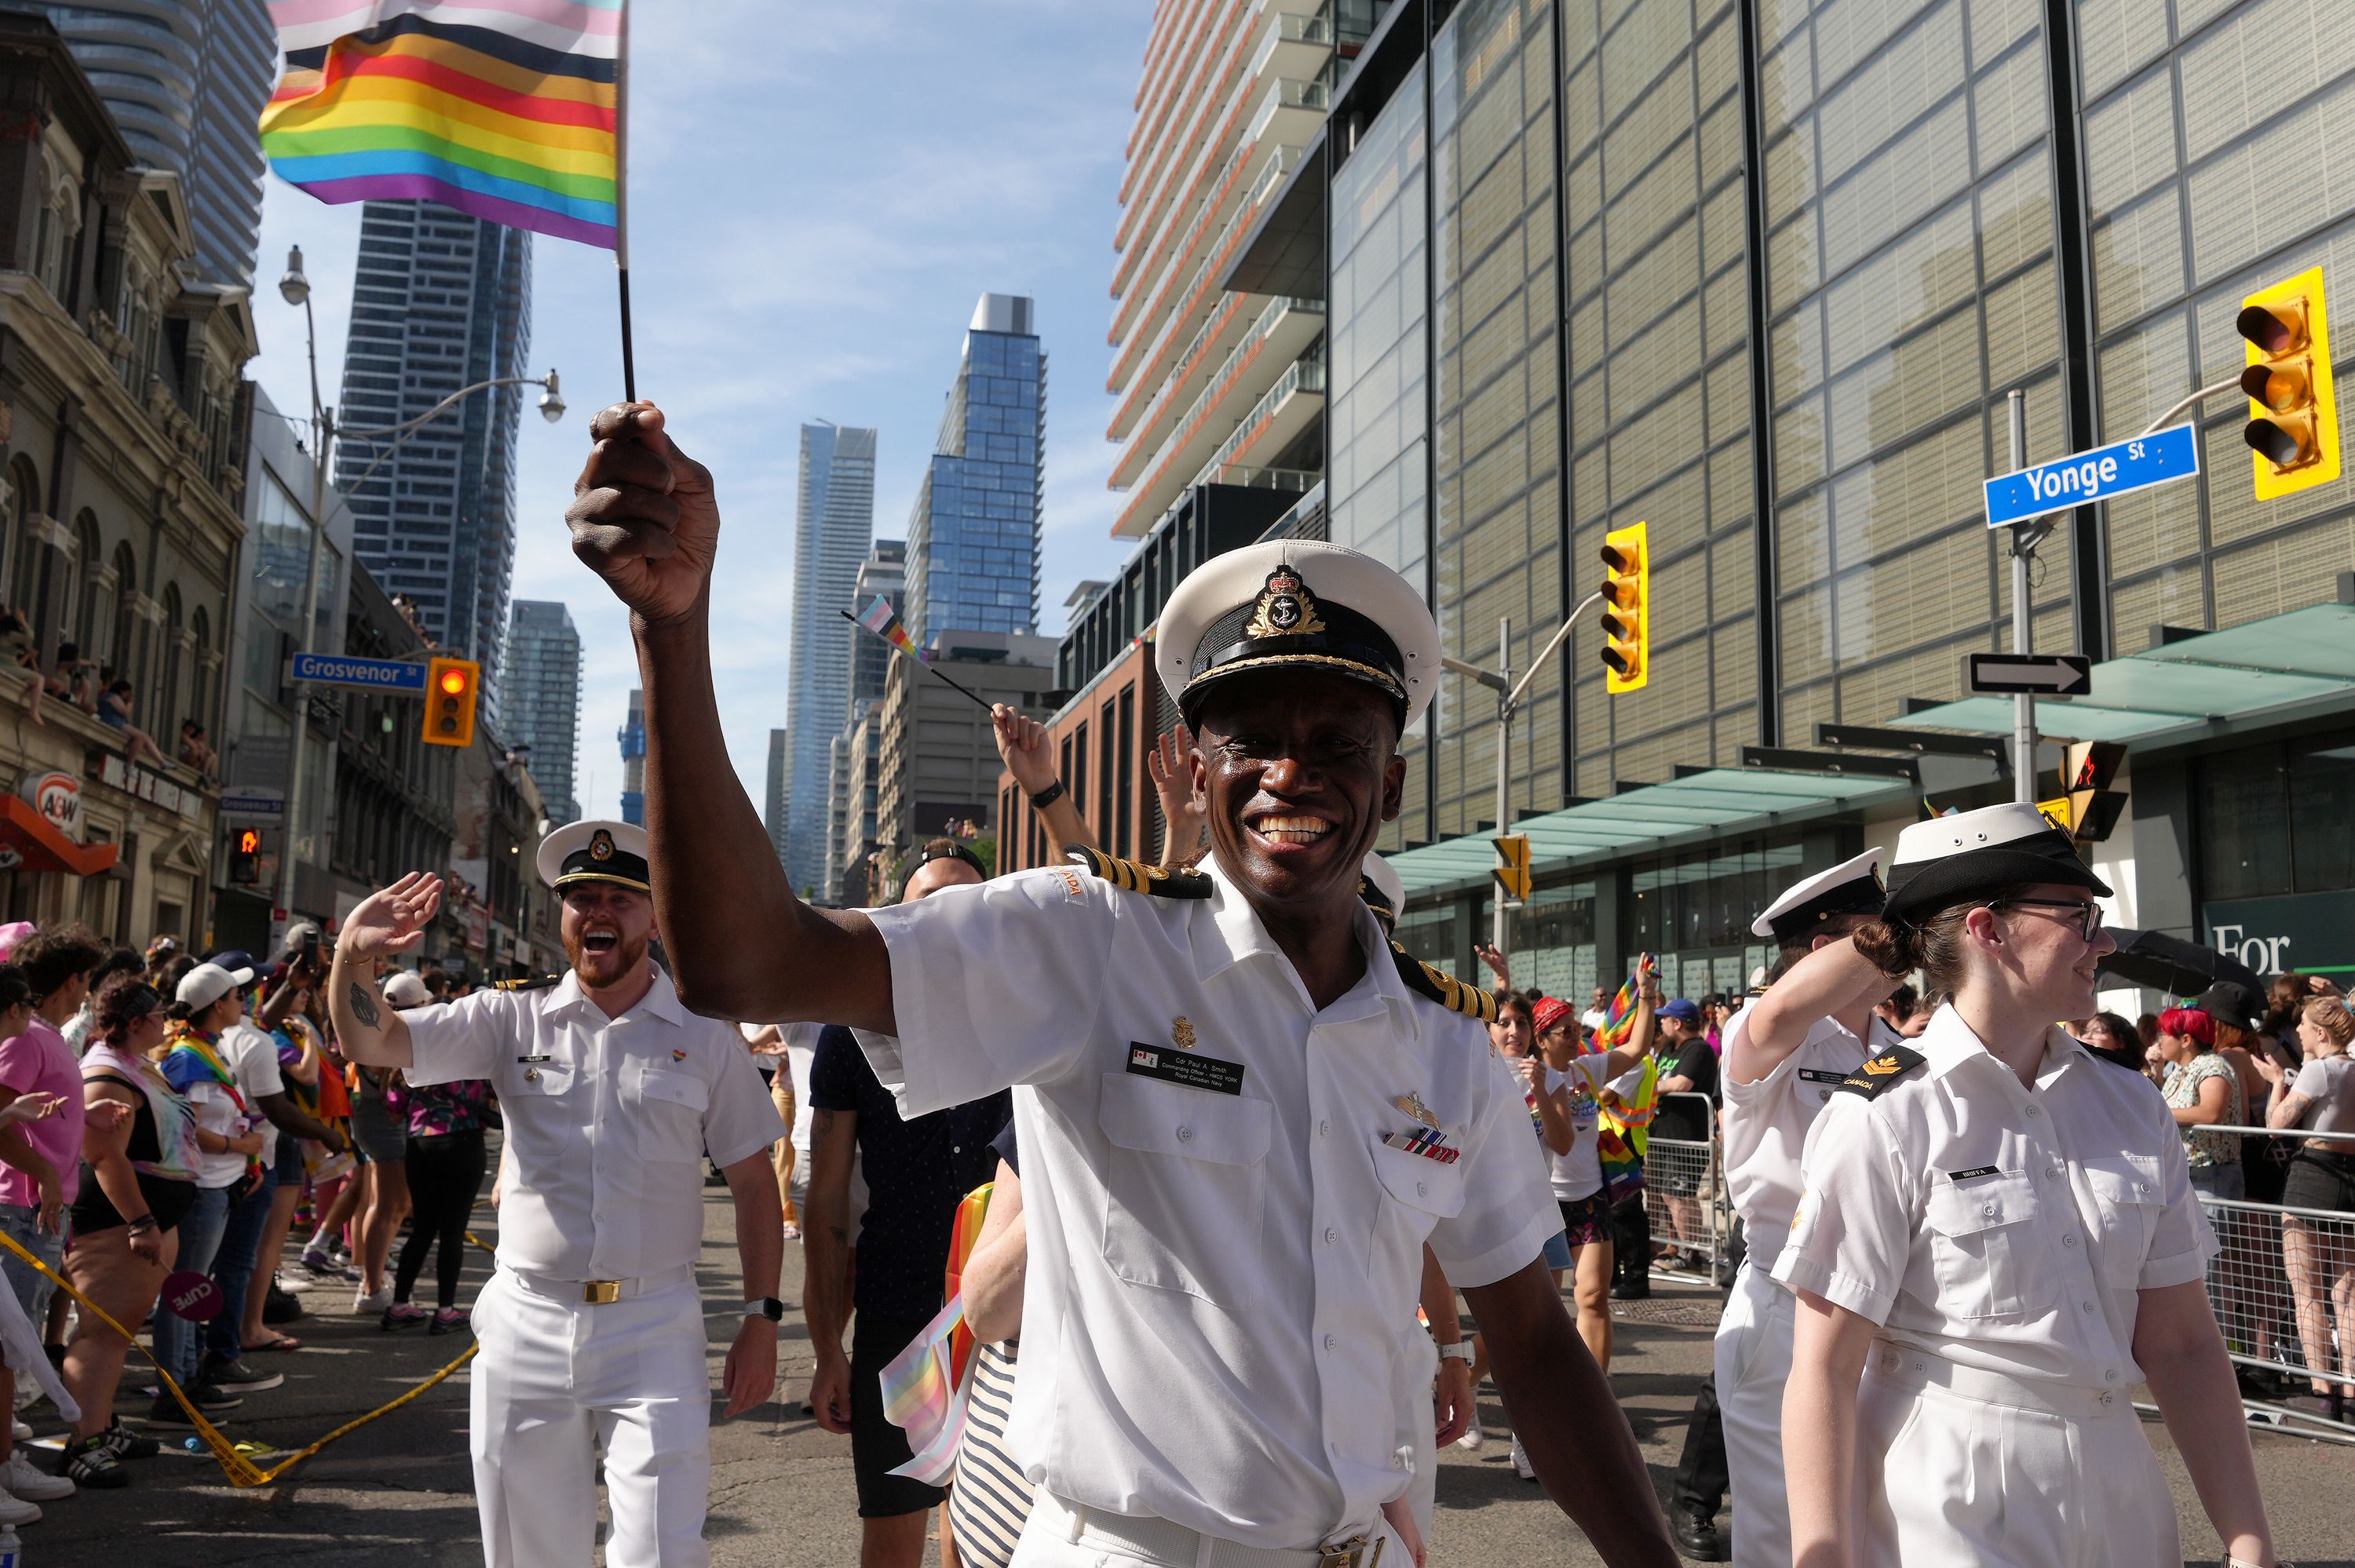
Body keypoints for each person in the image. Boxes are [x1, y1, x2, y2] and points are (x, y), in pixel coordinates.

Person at [568, 405, 1676, 1568]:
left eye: (1337, 742)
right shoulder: (1090, 944)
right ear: (1195, 770)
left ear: (1390, 784)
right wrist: (673, 635)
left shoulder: (1446, 1044)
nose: (1289, 771)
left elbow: (1538, 1340)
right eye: (1248, 737)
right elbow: (749, 961)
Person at [1776, 801, 2276, 1568]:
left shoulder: (2132, 1102)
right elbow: (1824, 1367)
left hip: (2121, 1487)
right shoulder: (1884, 1114)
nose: (2102, 940)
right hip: (1952, 1491)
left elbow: (2180, 1345)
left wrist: (2250, 1545)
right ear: (1988, 929)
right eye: (2079, 915)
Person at [327, 819, 786, 1568]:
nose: (598, 911)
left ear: (656, 916)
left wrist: (762, 1318)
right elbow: (373, 1043)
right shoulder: (510, 1015)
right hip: (528, 1321)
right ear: (561, 916)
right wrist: (353, 955)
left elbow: (752, 1182)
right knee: (528, 1552)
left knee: (664, 1553)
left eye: (620, 898)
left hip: (654, 1325)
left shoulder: (704, 1037)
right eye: (581, 898)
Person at [803, 838, 1011, 1568]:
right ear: (897, 918)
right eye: (930, 899)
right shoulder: (850, 1033)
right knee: (893, 1530)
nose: (951, 913)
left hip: (1011, 1318)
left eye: (969, 898)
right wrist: (828, 1347)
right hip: (899, 1311)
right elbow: (826, 1200)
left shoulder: (1030, 1022)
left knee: (987, 1527)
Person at [1696, 848, 1896, 1566]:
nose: (1901, 941)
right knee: (1790, 1538)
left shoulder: (1901, 1045)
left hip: (1878, 1309)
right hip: (1786, 1300)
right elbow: (1782, 1004)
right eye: (1880, 928)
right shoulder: (1770, 1028)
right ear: (1825, 949)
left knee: (1871, 1526)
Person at [61, 975, 199, 1486]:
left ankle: (102, 1426)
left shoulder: (134, 1066)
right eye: (160, 1015)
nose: (167, 1022)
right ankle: (83, 1443)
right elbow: (100, 1155)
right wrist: (141, 1221)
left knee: (117, 1333)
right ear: (137, 1022)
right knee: (100, 1334)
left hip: (149, 1221)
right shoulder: (106, 1075)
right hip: (116, 1227)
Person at [149, 960, 270, 1422]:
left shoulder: (207, 1048)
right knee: (185, 1290)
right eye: (238, 997)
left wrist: (243, 1158)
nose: (246, 1002)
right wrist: (240, 1145)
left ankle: (186, 1378)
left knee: (192, 1288)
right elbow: (190, 1130)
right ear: (217, 1005)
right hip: (200, 1189)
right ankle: (174, 1390)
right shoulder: (188, 1057)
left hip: (219, 1184)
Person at [0, 962, 82, 1517]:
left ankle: (4, 1463)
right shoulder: (22, 1046)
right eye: (24, 1006)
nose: (31, 1017)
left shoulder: (30, 1042)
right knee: (7, 1347)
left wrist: (11, 1112)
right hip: (17, 1211)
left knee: (6, 1347)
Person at [381, 971, 492, 1335]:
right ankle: (445, 1310)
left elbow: (394, 1108)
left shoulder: (414, 1057)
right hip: (463, 1144)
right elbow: (494, 1100)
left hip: (421, 1143)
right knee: (453, 1231)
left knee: (423, 1228)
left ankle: (399, 1305)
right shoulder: (476, 1057)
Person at [2258, 994, 2355, 1403]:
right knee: (2348, 1292)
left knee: (2308, 1291)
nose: (2296, 1030)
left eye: (2302, 1025)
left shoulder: (2319, 1070)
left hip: (2314, 1176)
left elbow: (2276, 1126)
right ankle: (2351, 1390)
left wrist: (2277, 1083)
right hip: (2351, 1177)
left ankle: (2322, 1390)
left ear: (2319, 1032)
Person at [1650, 997, 1718, 1271]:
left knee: (1679, 1195)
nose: (1661, 1023)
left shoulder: (1698, 1049)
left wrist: (1648, 1087)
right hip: (1661, 1133)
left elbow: (1682, 1083)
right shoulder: (1669, 1049)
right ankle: (1674, 1246)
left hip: (1686, 1136)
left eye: (1664, 1019)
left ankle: (1692, 1254)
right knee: (1663, 1195)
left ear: (1677, 1023)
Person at [2073, 1011, 2143, 1074]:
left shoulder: (2132, 1077)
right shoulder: (2073, 1067)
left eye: (2098, 1031)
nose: (2086, 1036)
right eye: (2085, 1031)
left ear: (2119, 1043)